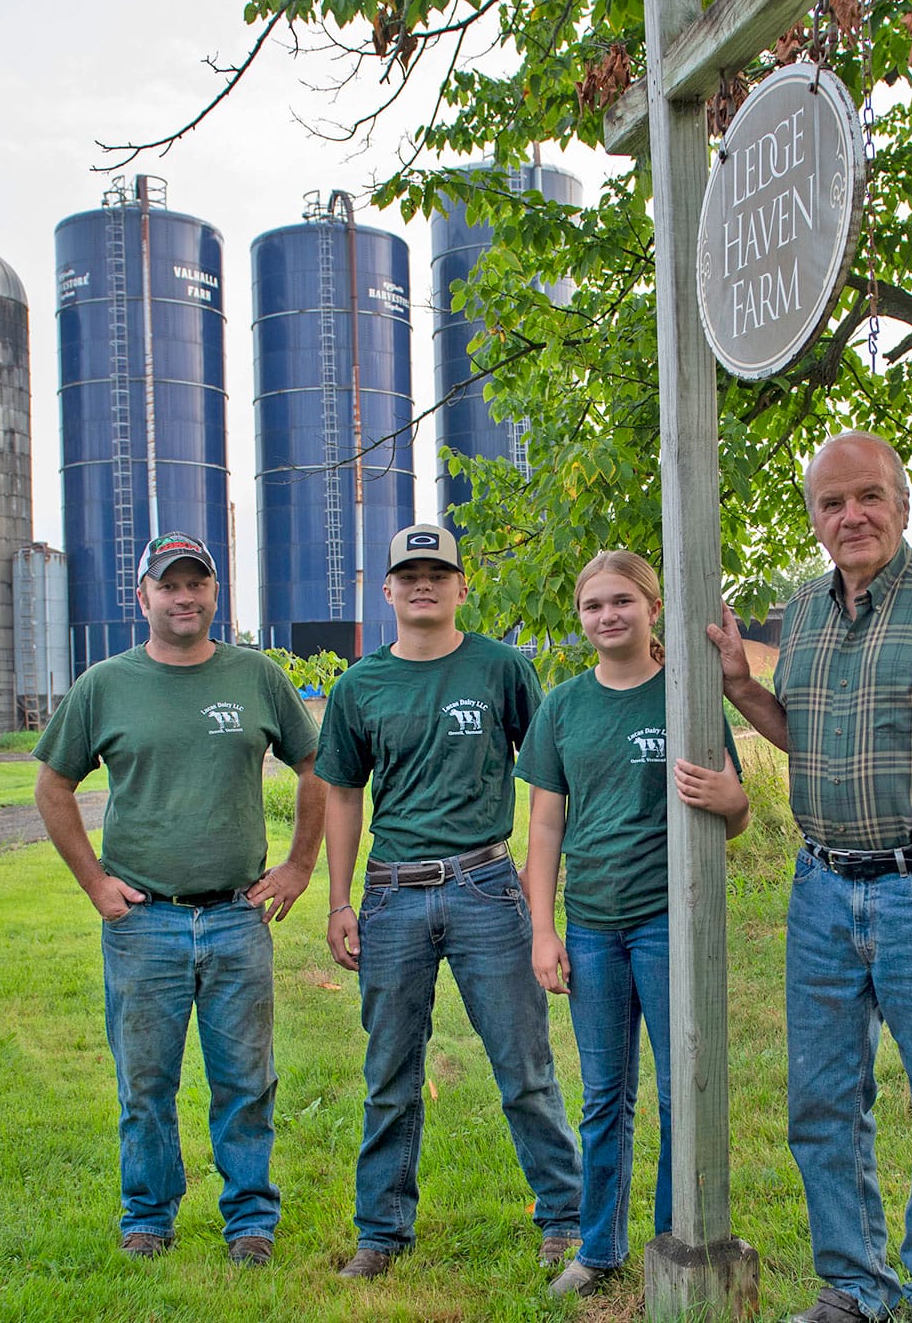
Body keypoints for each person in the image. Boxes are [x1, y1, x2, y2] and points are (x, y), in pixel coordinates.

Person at [706, 431, 912, 1323]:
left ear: (903, 505)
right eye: (831, 504)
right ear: (815, 519)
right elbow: (812, 736)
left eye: (869, 496)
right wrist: (741, 688)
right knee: (823, 1097)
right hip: (823, 890)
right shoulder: (800, 612)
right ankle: (854, 1285)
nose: (852, 516)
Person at [32, 531, 325, 1266]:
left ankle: (250, 1221)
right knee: (146, 1085)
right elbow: (52, 785)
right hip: (144, 922)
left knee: (245, 1082)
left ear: (215, 594)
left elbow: (318, 765)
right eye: (169, 585)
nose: (184, 596)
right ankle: (149, 1218)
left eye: (197, 583)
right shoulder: (106, 683)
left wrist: (298, 865)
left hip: (235, 916)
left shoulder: (256, 676)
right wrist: (96, 881)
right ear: (144, 597)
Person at [317, 523, 585, 1280]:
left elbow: (547, 784)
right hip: (392, 895)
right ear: (389, 590)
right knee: (389, 1073)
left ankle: (565, 1218)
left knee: (524, 1065)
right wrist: (339, 900)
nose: (424, 584)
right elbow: (341, 793)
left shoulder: (502, 669)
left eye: (439, 572)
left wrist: (543, 900)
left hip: (486, 887)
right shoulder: (358, 686)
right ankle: (382, 1233)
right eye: (410, 574)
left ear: (464, 586)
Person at [516, 550, 752, 1296]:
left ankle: (670, 1239)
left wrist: (730, 799)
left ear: (653, 607)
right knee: (602, 1093)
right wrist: (543, 930)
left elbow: (736, 808)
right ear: (581, 617)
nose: (607, 615)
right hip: (590, 923)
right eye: (593, 605)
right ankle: (599, 1246)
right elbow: (546, 827)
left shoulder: (686, 695)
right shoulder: (563, 707)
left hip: (666, 924)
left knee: (682, 1088)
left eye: (622, 600)